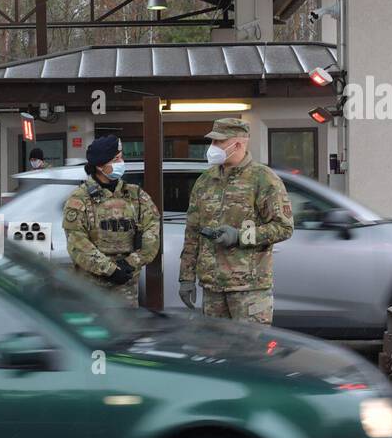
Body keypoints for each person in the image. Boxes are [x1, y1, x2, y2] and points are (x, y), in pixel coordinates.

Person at [178, 118, 293, 324]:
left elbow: (283, 227)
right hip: (213, 288)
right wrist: (186, 278)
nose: (212, 148)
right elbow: (192, 233)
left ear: (238, 144)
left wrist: (239, 236)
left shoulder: (263, 179)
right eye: (212, 142)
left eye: (218, 142)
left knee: (250, 352)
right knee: (214, 352)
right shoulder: (205, 181)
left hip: (249, 289)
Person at [61, 135, 161, 306]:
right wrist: (110, 270)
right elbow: (77, 243)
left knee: (128, 330)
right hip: (91, 289)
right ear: (100, 166)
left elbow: (152, 231)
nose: (121, 162)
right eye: (116, 159)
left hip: (126, 288)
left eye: (121, 157)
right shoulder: (80, 199)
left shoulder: (136, 195)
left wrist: (131, 263)